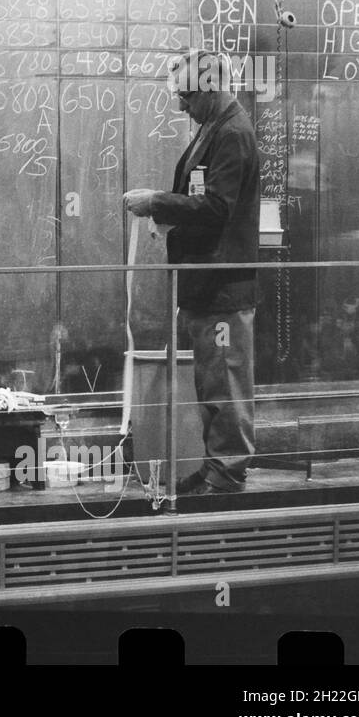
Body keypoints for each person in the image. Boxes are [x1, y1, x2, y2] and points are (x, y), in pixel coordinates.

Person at [122, 50, 260, 495]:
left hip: (223, 285)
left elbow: (219, 207)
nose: (180, 105)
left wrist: (158, 202)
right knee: (211, 379)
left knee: (225, 378)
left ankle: (228, 471)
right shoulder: (213, 129)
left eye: (185, 95)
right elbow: (205, 200)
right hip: (205, 283)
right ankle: (218, 465)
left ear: (210, 88)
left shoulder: (233, 133)